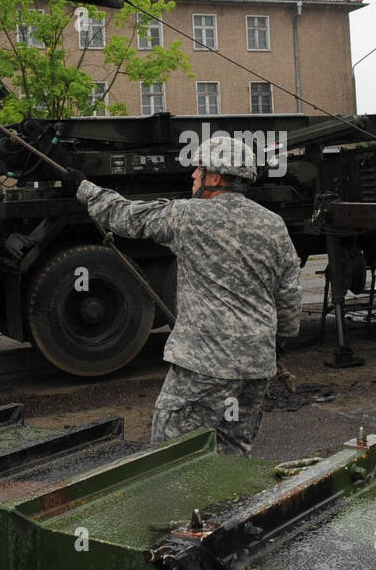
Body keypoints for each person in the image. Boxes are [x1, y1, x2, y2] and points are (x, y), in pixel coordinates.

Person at [47, 132, 301, 456]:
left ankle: (183, 507)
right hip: (256, 370)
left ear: (216, 177)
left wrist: (82, 188)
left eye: (199, 169)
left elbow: (125, 216)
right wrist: (278, 341)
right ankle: (230, 506)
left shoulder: (187, 216)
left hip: (204, 369)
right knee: (233, 451)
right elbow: (289, 294)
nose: (193, 175)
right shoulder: (273, 224)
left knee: (171, 455)